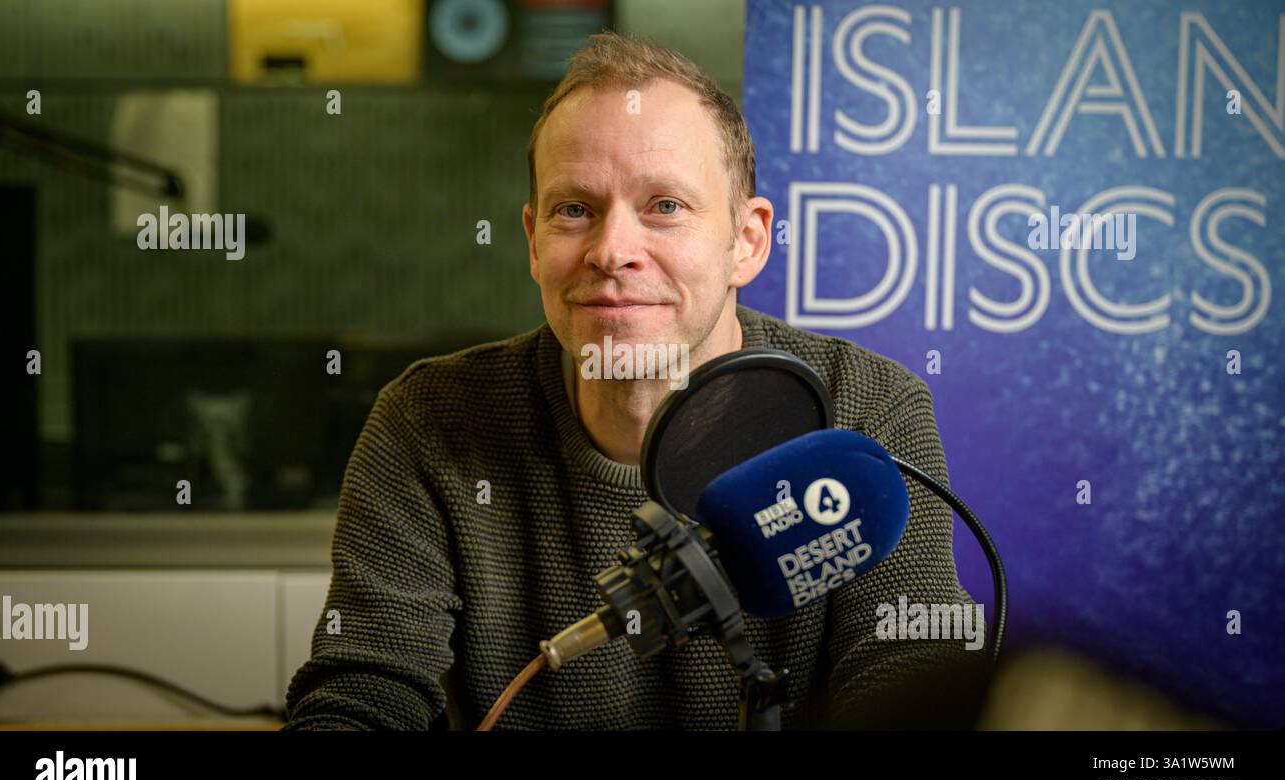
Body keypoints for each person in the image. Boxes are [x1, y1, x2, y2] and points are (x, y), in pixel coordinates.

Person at [284, 31, 986, 730]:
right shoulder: (427, 419)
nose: (613, 250)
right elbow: (363, 692)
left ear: (747, 240)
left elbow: (912, 675)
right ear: (533, 242)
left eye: (665, 206)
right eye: (574, 210)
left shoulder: (865, 408)